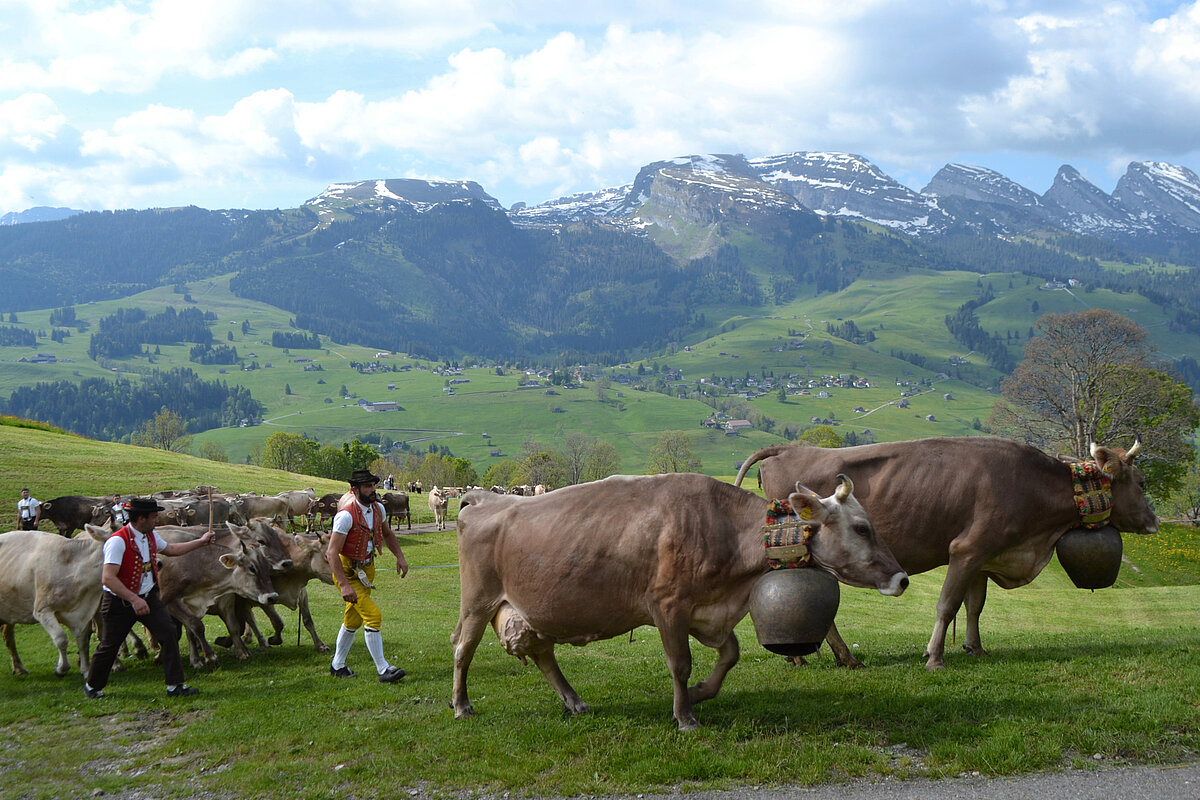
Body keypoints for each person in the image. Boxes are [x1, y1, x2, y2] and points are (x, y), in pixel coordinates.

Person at [83, 497, 216, 699]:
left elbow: (171, 550)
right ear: (140, 518)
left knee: (169, 634)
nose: (157, 520)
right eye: (153, 516)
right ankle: (93, 686)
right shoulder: (117, 541)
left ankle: (175, 685)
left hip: (148, 597)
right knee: (109, 646)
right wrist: (134, 600)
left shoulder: (150, 536)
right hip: (119, 602)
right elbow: (108, 578)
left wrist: (200, 542)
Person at [326, 469, 409, 682]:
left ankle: (337, 665)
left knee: (352, 620)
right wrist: (344, 585)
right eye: (367, 487)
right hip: (348, 571)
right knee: (373, 615)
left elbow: (388, 534)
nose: (373, 490)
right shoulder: (345, 516)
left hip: (367, 569)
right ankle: (383, 669)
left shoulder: (378, 508)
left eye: (373, 485)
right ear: (355, 490)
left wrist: (400, 557)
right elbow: (332, 553)